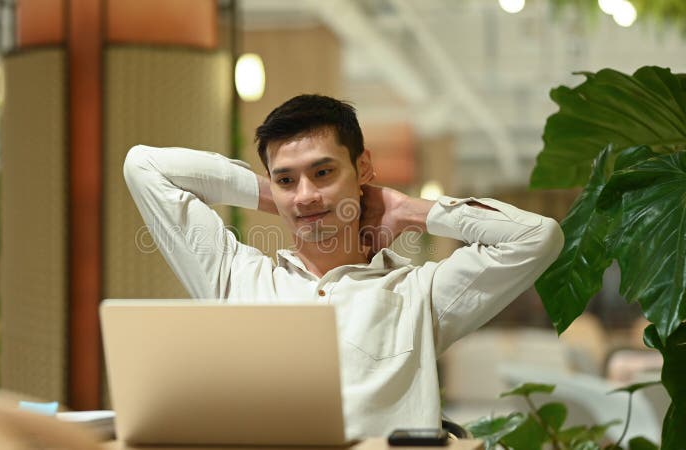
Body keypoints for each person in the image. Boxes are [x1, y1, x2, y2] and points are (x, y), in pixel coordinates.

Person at [123, 94, 564, 439]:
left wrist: (410, 209)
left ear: (363, 168)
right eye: (286, 177)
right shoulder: (236, 278)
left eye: (323, 172)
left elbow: (536, 237)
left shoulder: (419, 294)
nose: (306, 193)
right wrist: (283, 201)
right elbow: (144, 167)